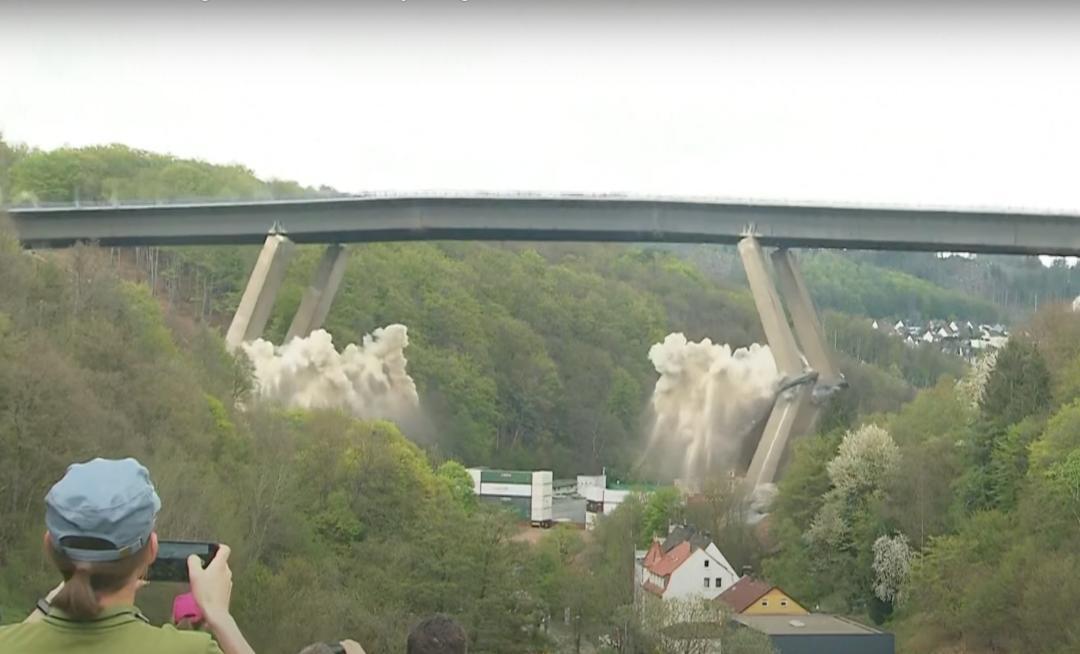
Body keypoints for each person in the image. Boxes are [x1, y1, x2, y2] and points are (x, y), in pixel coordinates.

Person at [0, 457, 256, 654]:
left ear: (49, 545)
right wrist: (219, 616)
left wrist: (57, 596)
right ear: (152, 549)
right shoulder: (190, 650)